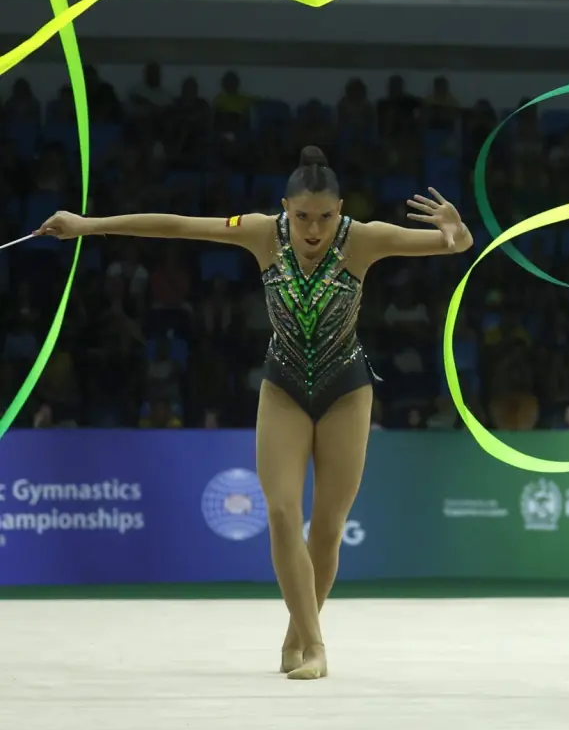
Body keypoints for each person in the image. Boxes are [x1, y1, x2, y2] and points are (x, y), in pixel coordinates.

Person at [36, 146, 473, 680]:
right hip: (284, 386)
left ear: (342, 210)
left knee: (329, 527)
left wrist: (458, 229)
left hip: (347, 390)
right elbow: (177, 226)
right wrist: (87, 225)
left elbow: (454, 245)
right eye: (303, 216)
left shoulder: (364, 238)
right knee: (283, 512)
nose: (314, 229)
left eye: (326, 217)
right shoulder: (262, 232)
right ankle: (315, 647)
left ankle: (296, 637)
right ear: (284, 207)